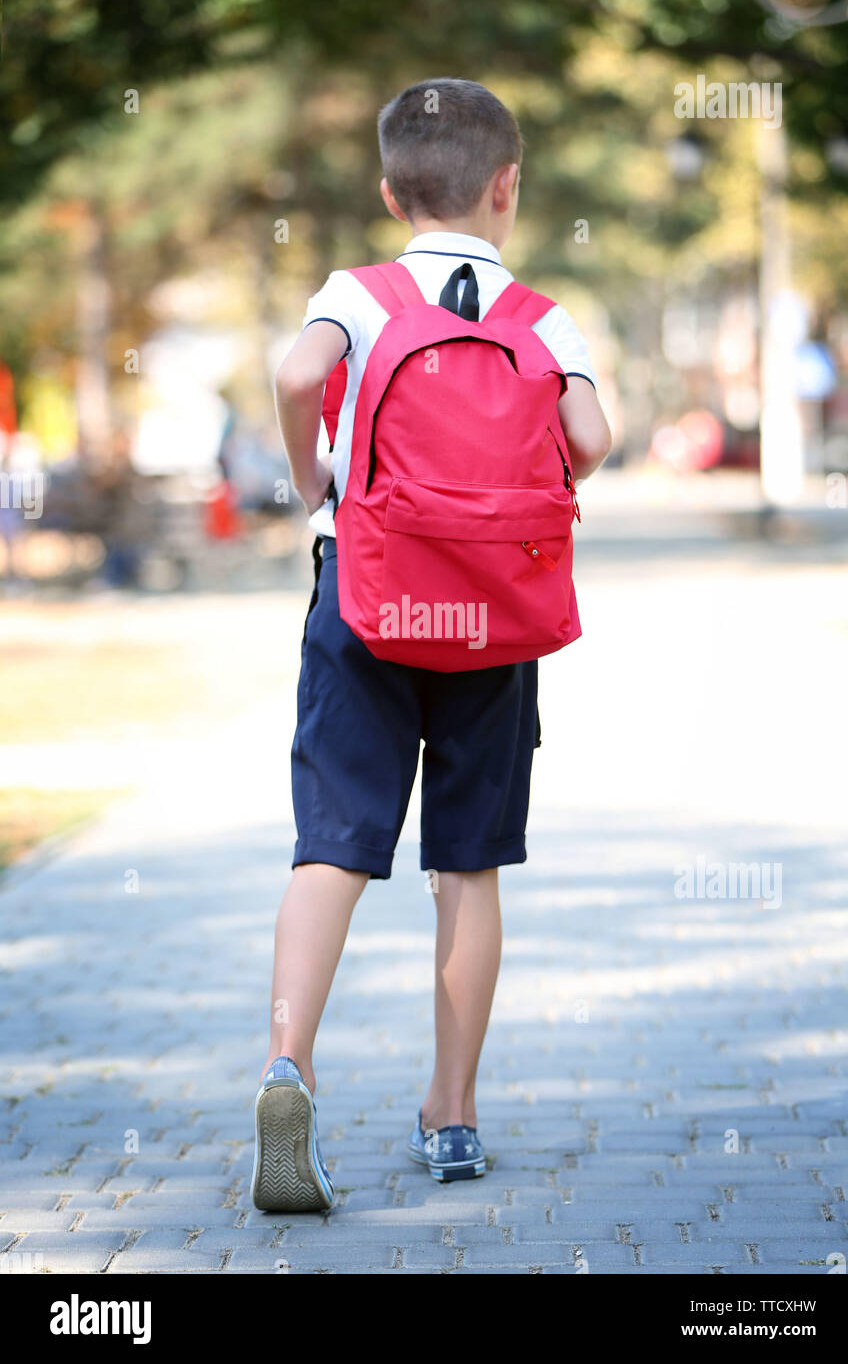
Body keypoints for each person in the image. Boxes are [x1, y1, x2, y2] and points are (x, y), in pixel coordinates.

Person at [251, 79, 611, 1212]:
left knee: (332, 844)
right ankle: (449, 1116)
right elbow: (593, 436)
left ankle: (287, 1063)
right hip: (492, 613)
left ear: (388, 190)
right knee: (467, 864)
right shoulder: (542, 317)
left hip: (363, 596)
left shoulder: (354, 295)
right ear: (506, 187)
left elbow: (299, 373)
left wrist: (316, 476)